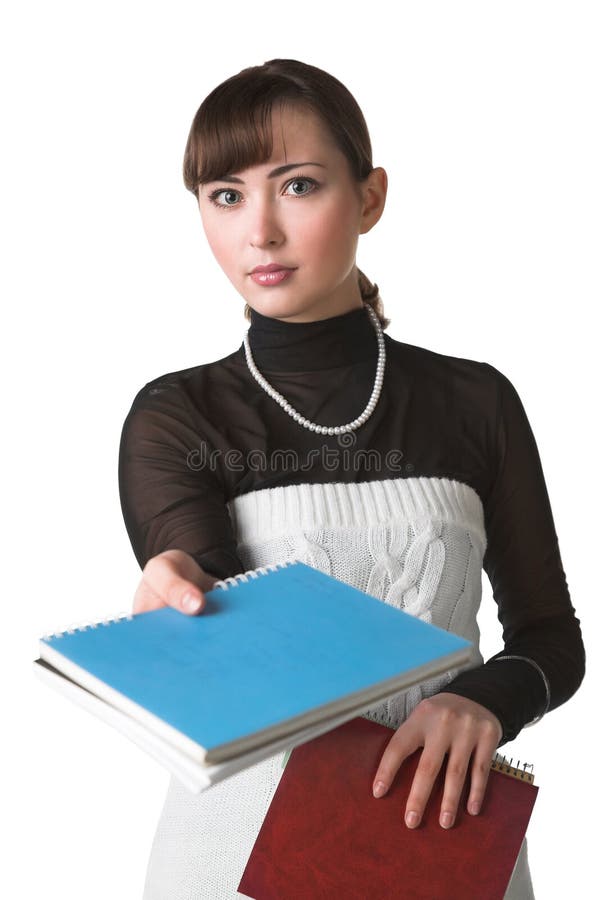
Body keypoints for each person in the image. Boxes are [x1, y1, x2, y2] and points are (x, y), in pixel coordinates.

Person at [118, 58, 585, 899]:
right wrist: (180, 597)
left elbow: (551, 638)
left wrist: (482, 701)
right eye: (226, 195)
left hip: (443, 843)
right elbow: (208, 598)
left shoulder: (475, 402)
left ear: (370, 198)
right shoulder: (178, 415)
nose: (260, 231)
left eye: (297, 186)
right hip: (232, 855)